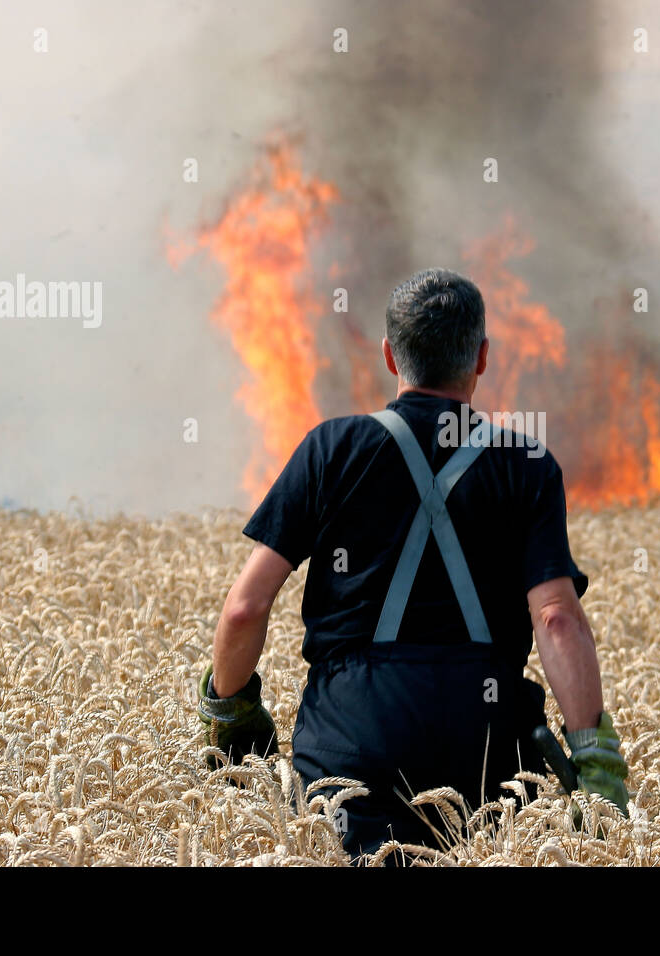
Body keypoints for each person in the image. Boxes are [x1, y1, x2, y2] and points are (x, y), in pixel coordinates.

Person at [197, 268, 630, 863]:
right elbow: (556, 618)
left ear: (389, 356)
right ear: (481, 358)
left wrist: (233, 715)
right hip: (487, 745)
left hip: (350, 740)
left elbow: (246, 607)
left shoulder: (329, 449)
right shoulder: (526, 463)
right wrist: (592, 758)